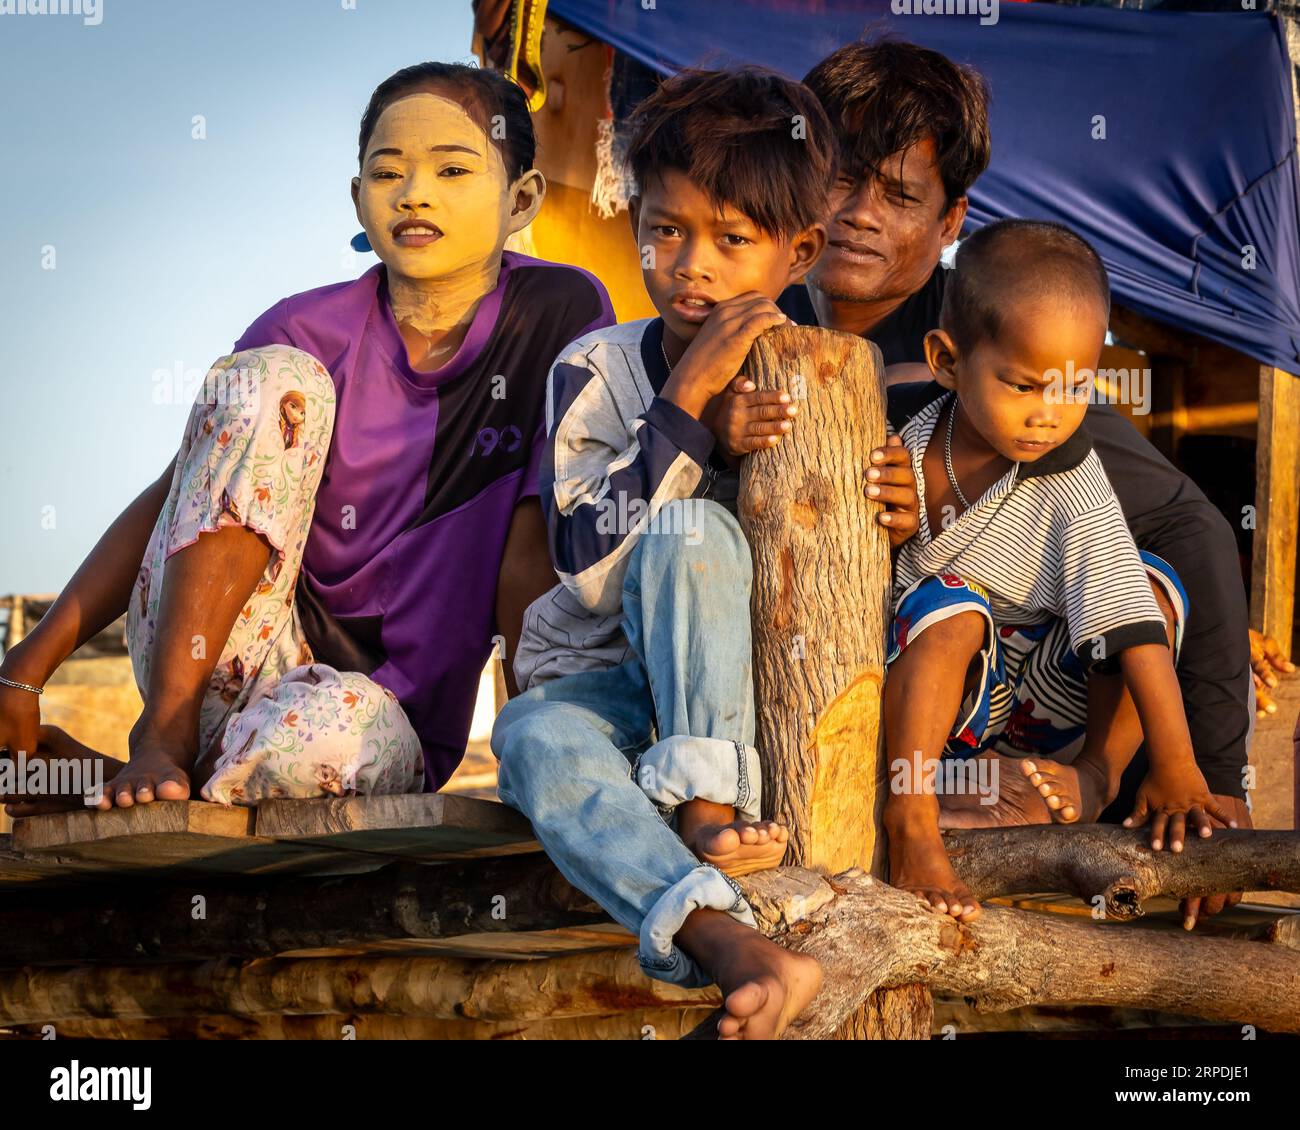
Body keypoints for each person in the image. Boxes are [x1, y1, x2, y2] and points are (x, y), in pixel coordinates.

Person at [0, 62, 613, 813]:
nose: (415, 193)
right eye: (388, 173)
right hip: (226, 666)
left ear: (521, 200)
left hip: (368, 725)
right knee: (270, 379)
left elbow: (532, 540)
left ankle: (112, 785)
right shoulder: (298, 329)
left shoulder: (556, 311)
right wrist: (26, 665)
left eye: (453, 169)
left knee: (326, 739)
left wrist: (539, 749)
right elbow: (181, 497)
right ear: (358, 198)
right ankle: (161, 741)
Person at [779, 37, 1260, 928]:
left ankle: (1080, 786)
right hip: (853, 705)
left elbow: (1187, 526)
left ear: (953, 218)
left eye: (900, 194)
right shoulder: (765, 328)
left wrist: (1211, 779)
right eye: (841, 180)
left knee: (1135, 584)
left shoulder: (1010, 345)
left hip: (1018, 690)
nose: (857, 215)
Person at [492, 66, 916, 1039]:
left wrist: (895, 517)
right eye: (666, 229)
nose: (693, 265)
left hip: (756, 721)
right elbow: (590, 570)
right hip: (610, 699)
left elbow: (840, 589)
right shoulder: (594, 369)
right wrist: (683, 409)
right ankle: (728, 938)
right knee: (525, 739)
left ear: (797, 249)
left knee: (692, 532)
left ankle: (708, 807)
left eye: (732, 240)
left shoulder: (828, 374)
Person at [882, 220, 1237, 921]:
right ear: (946, 361)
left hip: (1041, 704)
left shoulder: (1074, 476)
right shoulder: (898, 438)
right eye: (1024, 385)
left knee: (1150, 585)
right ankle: (911, 821)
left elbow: (1130, 627)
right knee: (948, 606)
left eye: (1074, 389)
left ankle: (1089, 785)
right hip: (928, 705)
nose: (1050, 415)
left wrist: (1181, 768)